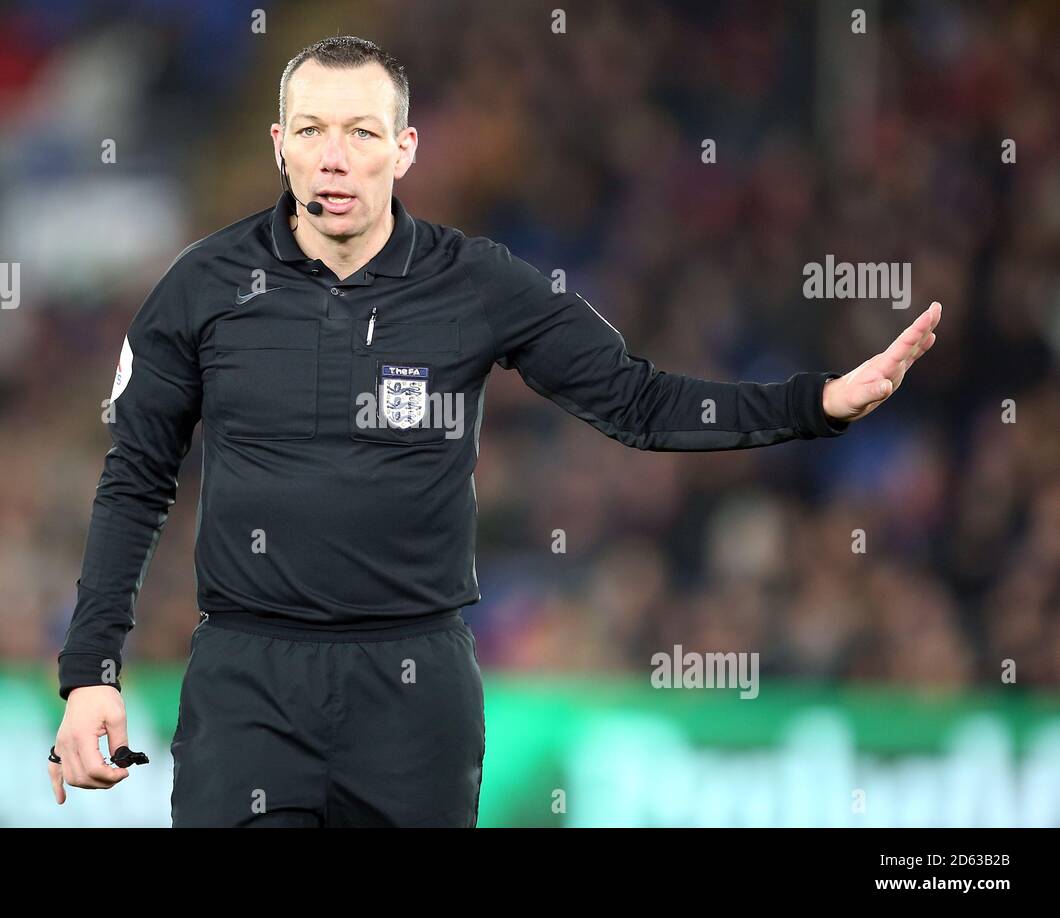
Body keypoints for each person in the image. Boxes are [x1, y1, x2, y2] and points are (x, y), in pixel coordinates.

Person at [48, 35, 941, 827]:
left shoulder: (477, 284)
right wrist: (91, 670)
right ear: (279, 145)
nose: (335, 156)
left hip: (412, 688)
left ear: (404, 149)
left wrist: (811, 405)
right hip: (246, 680)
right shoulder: (200, 288)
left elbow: (636, 402)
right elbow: (136, 477)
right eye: (312, 130)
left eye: (362, 132)